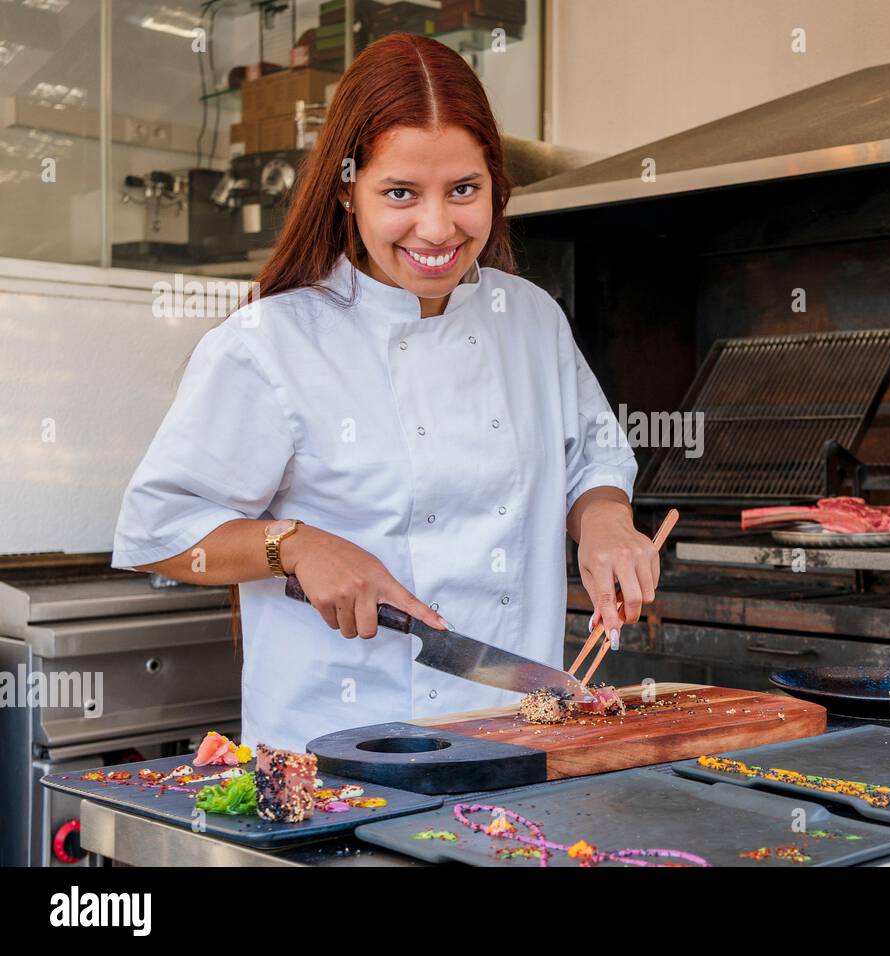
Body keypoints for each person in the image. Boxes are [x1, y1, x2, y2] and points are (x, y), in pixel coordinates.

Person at [110, 34, 658, 751]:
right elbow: (161, 531)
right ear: (346, 189)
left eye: (464, 190)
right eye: (400, 193)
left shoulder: (529, 320)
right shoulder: (270, 343)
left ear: (496, 184)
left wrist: (606, 522)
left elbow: (591, 464)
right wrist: (294, 546)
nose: (438, 228)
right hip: (334, 757)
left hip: (512, 740)